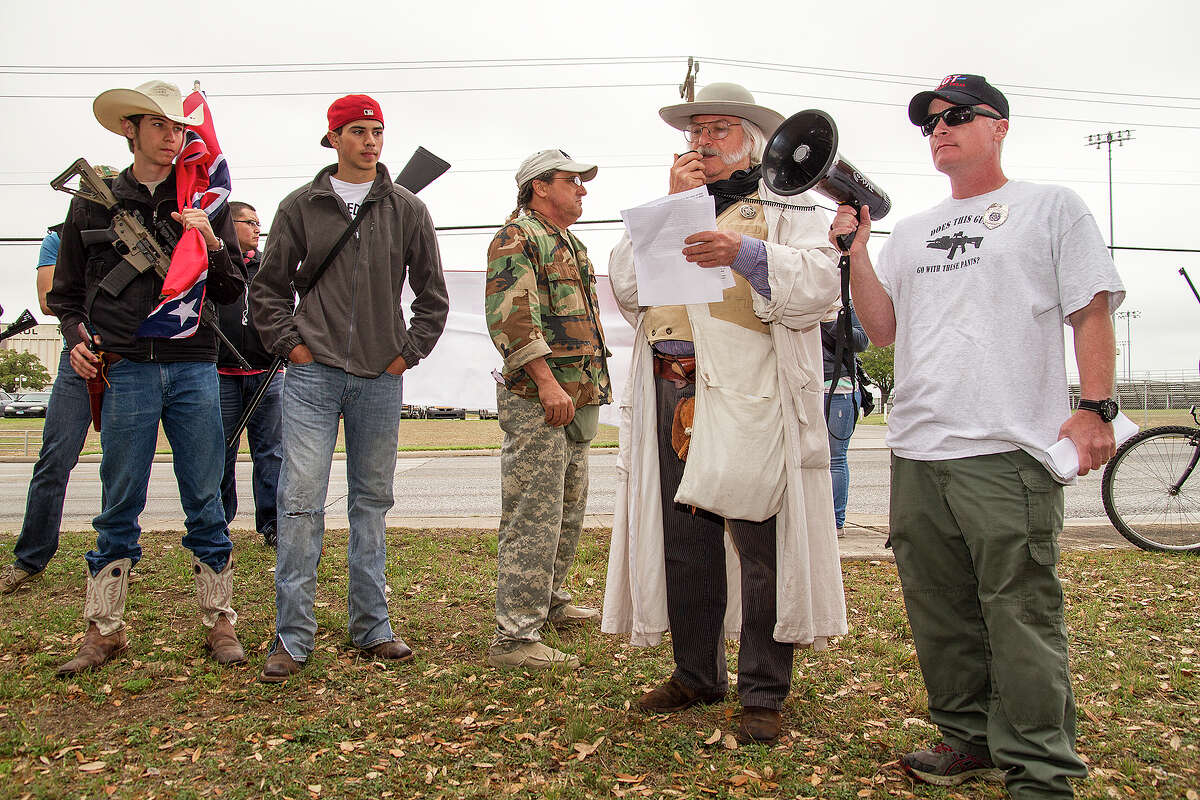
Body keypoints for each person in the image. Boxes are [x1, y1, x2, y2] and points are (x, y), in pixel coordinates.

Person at [830, 74, 1124, 797]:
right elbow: (884, 329)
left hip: (1006, 449)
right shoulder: (914, 231)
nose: (940, 129)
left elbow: (1090, 310)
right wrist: (858, 253)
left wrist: (1096, 407)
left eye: (957, 116)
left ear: (999, 126)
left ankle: (1041, 769)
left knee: (1020, 611)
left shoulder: (1051, 207)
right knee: (941, 608)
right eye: (929, 123)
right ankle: (967, 738)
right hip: (918, 450)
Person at [601, 82, 848, 744]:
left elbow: (821, 286)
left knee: (760, 544)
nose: (702, 142)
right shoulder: (672, 206)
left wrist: (744, 253)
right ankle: (696, 674)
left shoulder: (790, 205)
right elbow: (627, 288)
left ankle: (763, 691)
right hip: (670, 385)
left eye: (718, 130)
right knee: (686, 543)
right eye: (696, 131)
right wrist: (670, 208)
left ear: (753, 141)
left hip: (747, 394)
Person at [48, 80, 248, 674]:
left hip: (193, 366)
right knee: (119, 500)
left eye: (180, 128)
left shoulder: (203, 201)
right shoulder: (93, 202)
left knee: (206, 496)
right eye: (159, 125)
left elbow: (232, 291)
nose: (172, 137)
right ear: (129, 130)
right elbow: (66, 296)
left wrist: (210, 241)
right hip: (126, 367)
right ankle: (104, 629)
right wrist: (78, 340)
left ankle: (220, 620)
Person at [251, 94, 449, 684]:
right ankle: (292, 637)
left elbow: (433, 296)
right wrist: (293, 346)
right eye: (357, 131)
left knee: (372, 501)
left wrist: (406, 354)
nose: (370, 141)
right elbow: (267, 289)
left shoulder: (408, 208)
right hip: (311, 375)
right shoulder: (299, 206)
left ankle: (373, 626)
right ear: (333, 138)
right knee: (300, 500)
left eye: (377, 131)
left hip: (379, 376)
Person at [484, 150, 611, 671]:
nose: (582, 189)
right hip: (540, 399)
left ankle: (550, 602)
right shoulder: (517, 237)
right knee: (533, 514)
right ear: (540, 186)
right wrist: (545, 383)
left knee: (567, 508)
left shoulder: (568, 242)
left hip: (575, 396)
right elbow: (512, 319)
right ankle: (515, 636)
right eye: (572, 180)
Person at [1, 220, 95, 594]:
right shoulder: (58, 237)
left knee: (122, 466)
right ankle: (30, 559)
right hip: (77, 354)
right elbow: (47, 299)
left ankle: (115, 558)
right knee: (54, 460)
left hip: (129, 358)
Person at [216, 201, 283, 548]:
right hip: (222, 373)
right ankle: (217, 523)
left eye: (259, 223)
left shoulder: (268, 267)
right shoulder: (214, 264)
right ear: (229, 224)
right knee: (221, 451)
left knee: (270, 452)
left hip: (267, 373)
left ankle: (273, 523)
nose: (258, 229)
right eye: (250, 222)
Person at [820, 305, 869, 534]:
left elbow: (861, 342)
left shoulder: (844, 306)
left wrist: (831, 319)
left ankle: (835, 521)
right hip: (804, 388)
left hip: (839, 390)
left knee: (835, 458)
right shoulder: (799, 298)